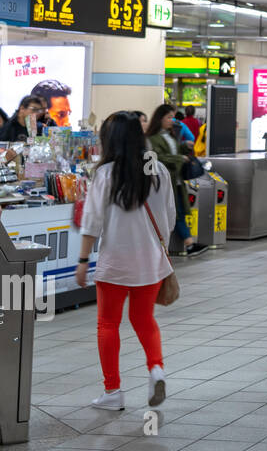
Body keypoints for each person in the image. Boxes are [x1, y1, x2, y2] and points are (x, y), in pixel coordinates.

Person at [74, 111, 177, 411]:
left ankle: (113, 392)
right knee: (144, 319)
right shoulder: (157, 169)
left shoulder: (106, 173)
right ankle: (156, 368)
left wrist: (82, 260)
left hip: (116, 260)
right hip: (151, 261)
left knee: (108, 323)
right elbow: (169, 217)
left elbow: (92, 222)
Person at [147, 103, 204, 256]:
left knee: (178, 211)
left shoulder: (171, 135)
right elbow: (158, 158)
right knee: (175, 211)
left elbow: (173, 152)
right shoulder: (153, 138)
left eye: (173, 117)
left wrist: (185, 147)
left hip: (176, 180)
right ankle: (188, 243)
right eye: (169, 117)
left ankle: (183, 243)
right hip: (165, 182)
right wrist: (179, 158)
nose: (172, 120)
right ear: (160, 119)